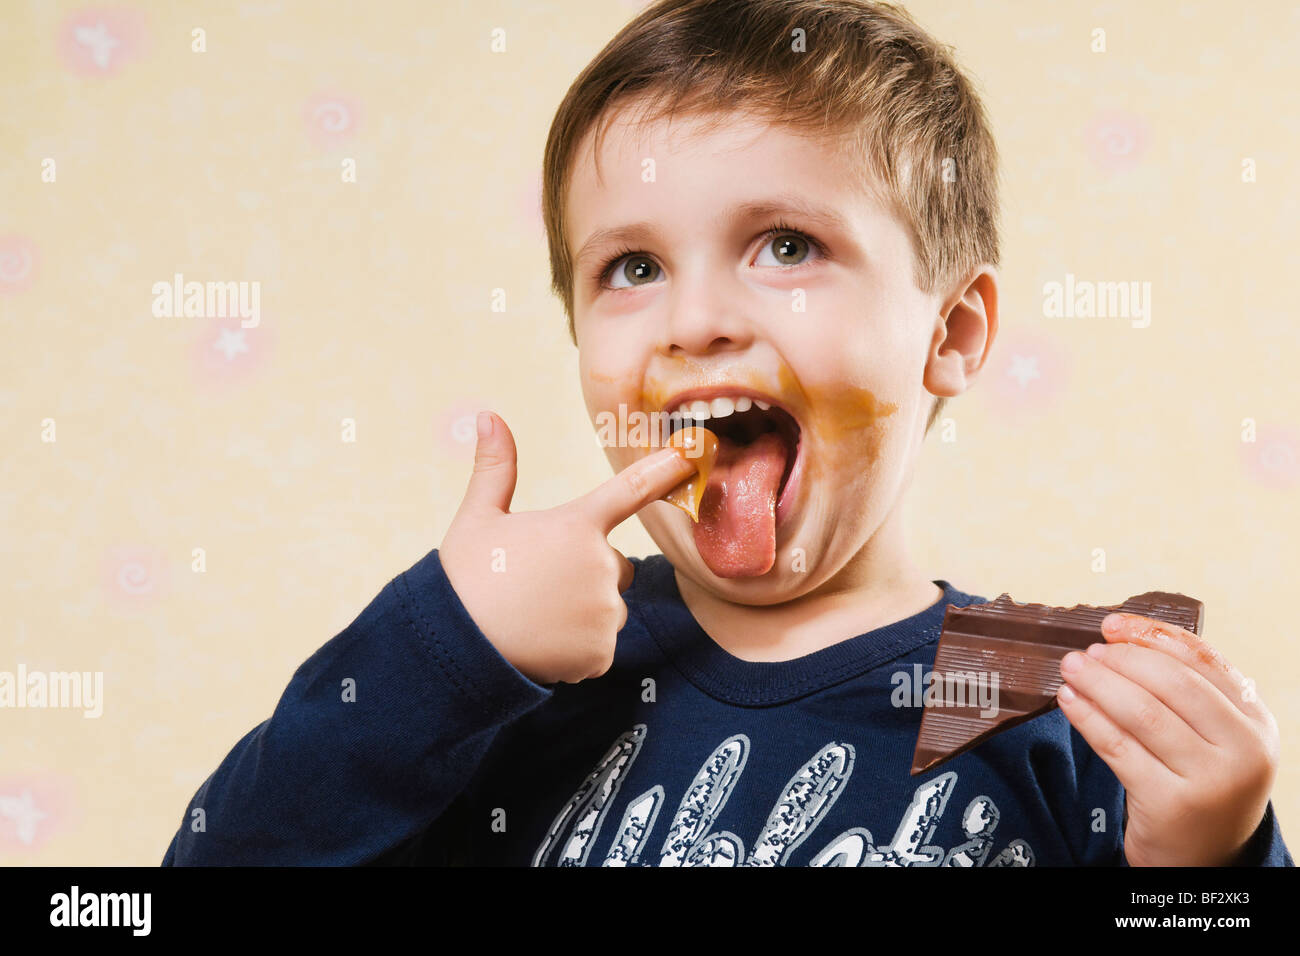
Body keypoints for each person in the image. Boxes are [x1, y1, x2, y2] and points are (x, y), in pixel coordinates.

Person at [163, 0, 1290, 866]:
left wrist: (1214, 860)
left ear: (949, 331)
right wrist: (446, 647)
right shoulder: (517, 680)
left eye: (787, 245)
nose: (694, 320)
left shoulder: (1037, 687)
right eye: (632, 267)